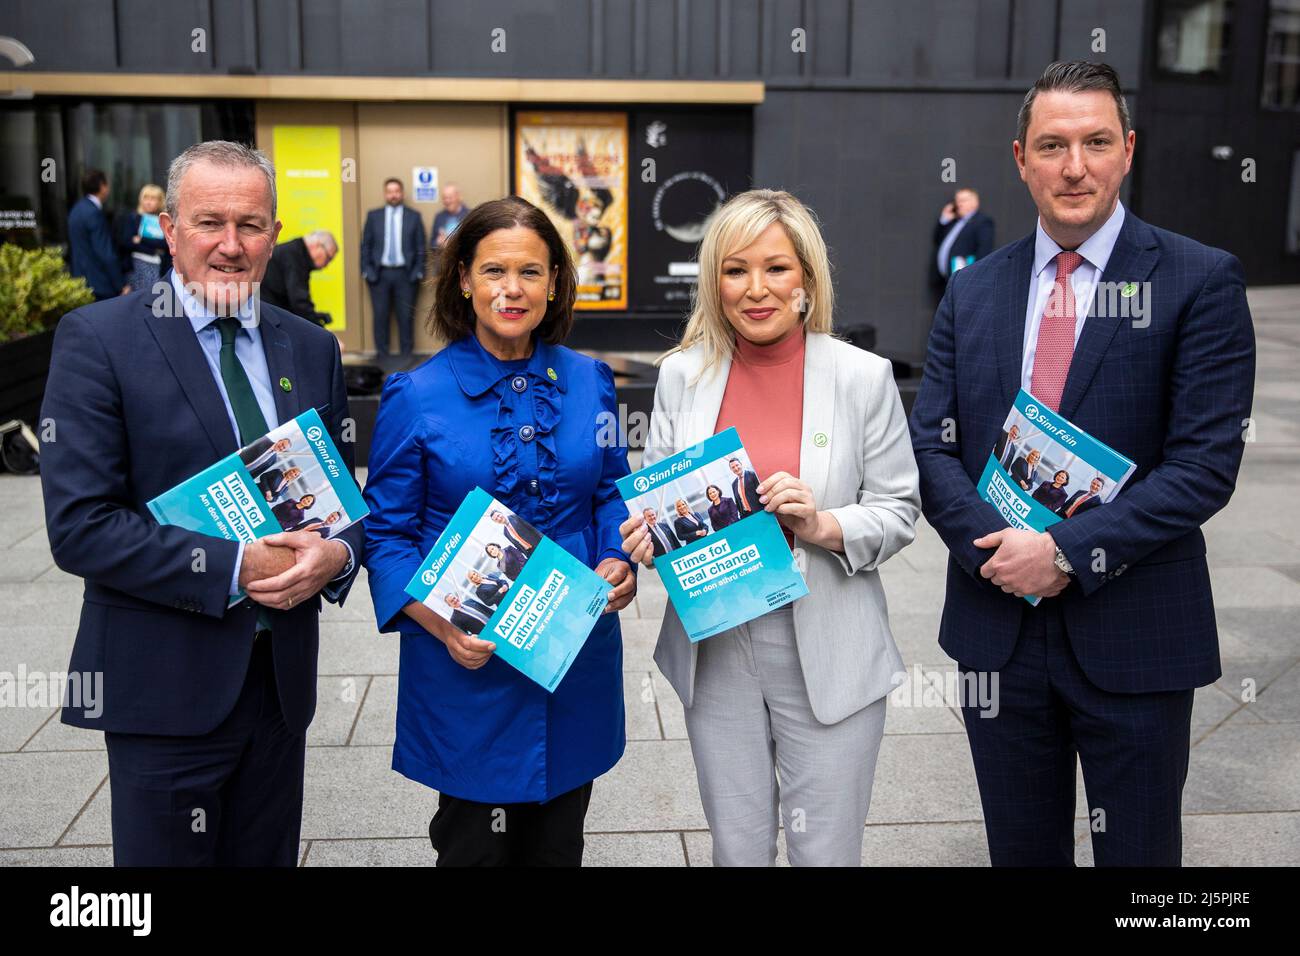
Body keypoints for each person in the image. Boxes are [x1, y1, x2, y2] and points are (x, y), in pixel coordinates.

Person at [908, 61, 1256, 867]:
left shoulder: (1199, 279)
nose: (1075, 167)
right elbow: (934, 442)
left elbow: (1204, 465)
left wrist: (1063, 551)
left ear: (1127, 149)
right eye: (1054, 145)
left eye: (1096, 142)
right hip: (998, 630)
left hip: (1135, 633)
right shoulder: (974, 290)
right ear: (1020, 157)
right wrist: (1003, 554)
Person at [39, 140, 364, 866]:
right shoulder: (100, 339)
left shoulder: (309, 348)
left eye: (250, 224)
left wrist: (337, 555)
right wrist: (233, 567)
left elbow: (345, 502)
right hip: (164, 689)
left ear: (275, 235)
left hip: (279, 690)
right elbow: (80, 526)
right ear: (170, 230)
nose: (230, 244)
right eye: (209, 222)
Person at [619, 189, 920, 866]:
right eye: (735, 269)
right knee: (738, 848)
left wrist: (820, 522)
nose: (756, 289)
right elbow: (656, 497)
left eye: (776, 268)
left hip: (827, 641)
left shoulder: (862, 378)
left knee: (825, 852)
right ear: (714, 281)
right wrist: (643, 538)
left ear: (807, 281)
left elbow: (899, 510)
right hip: (717, 643)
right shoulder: (681, 377)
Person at [362, 195, 636, 867]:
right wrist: (440, 625)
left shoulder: (591, 382)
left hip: (572, 652)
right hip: (467, 662)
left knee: (558, 845)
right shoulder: (416, 395)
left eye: (531, 272)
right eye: (493, 271)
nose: (512, 289)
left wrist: (615, 559)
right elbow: (387, 534)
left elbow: (610, 493)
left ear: (553, 283)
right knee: (473, 852)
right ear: (463, 279)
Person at [361, 177, 426, 363]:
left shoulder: (414, 216)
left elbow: (421, 246)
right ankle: (382, 357)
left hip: (406, 275)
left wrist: (418, 272)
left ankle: (407, 357)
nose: (393, 195)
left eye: (397, 191)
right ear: (385, 193)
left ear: (402, 193)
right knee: (380, 317)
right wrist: (367, 271)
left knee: (405, 317)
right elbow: (366, 245)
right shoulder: (374, 216)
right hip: (379, 275)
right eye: (390, 191)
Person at [67, 169, 126, 300]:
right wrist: (121, 284)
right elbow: (105, 253)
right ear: (102, 186)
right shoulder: (93, 213)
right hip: (99, 285)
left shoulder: (76, 209)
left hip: (80, 281)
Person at [261, 230, 336, 326]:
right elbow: (299, 302)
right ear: (318, 245)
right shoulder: (296, 257)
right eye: (329, 258)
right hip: (269, 316)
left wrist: (316, 317)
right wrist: (320, 329)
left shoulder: (295, 251)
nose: (327, 265)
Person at [931, 187, 995, 288]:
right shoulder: (954, 221)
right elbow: (937, 239)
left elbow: (984, 251)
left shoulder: (982, 222)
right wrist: (944, 220)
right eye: (957, 201)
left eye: (963, 200)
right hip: (945, 280)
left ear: (975, 202)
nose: (958, 204)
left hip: (964, 281)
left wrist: (973, 277)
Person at [114, 183, 172, 292]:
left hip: (159, 270)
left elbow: (166, 244)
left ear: (160, 201)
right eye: (146, 198)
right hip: (136, 270)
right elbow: (127, 243)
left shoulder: (164, 220)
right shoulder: (133, 218)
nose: (149, 202)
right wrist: (154, 249)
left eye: (153, 198)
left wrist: (142, 240)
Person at [431, 183, 471, 254]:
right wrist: (438, 243)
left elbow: (474, 242)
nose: (447, 201)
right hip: (443, 262)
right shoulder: (439, 217)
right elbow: (432, 244)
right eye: (444, 198)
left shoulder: (470, 215)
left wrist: (450, 244)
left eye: (450, 197)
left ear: (459, 197)